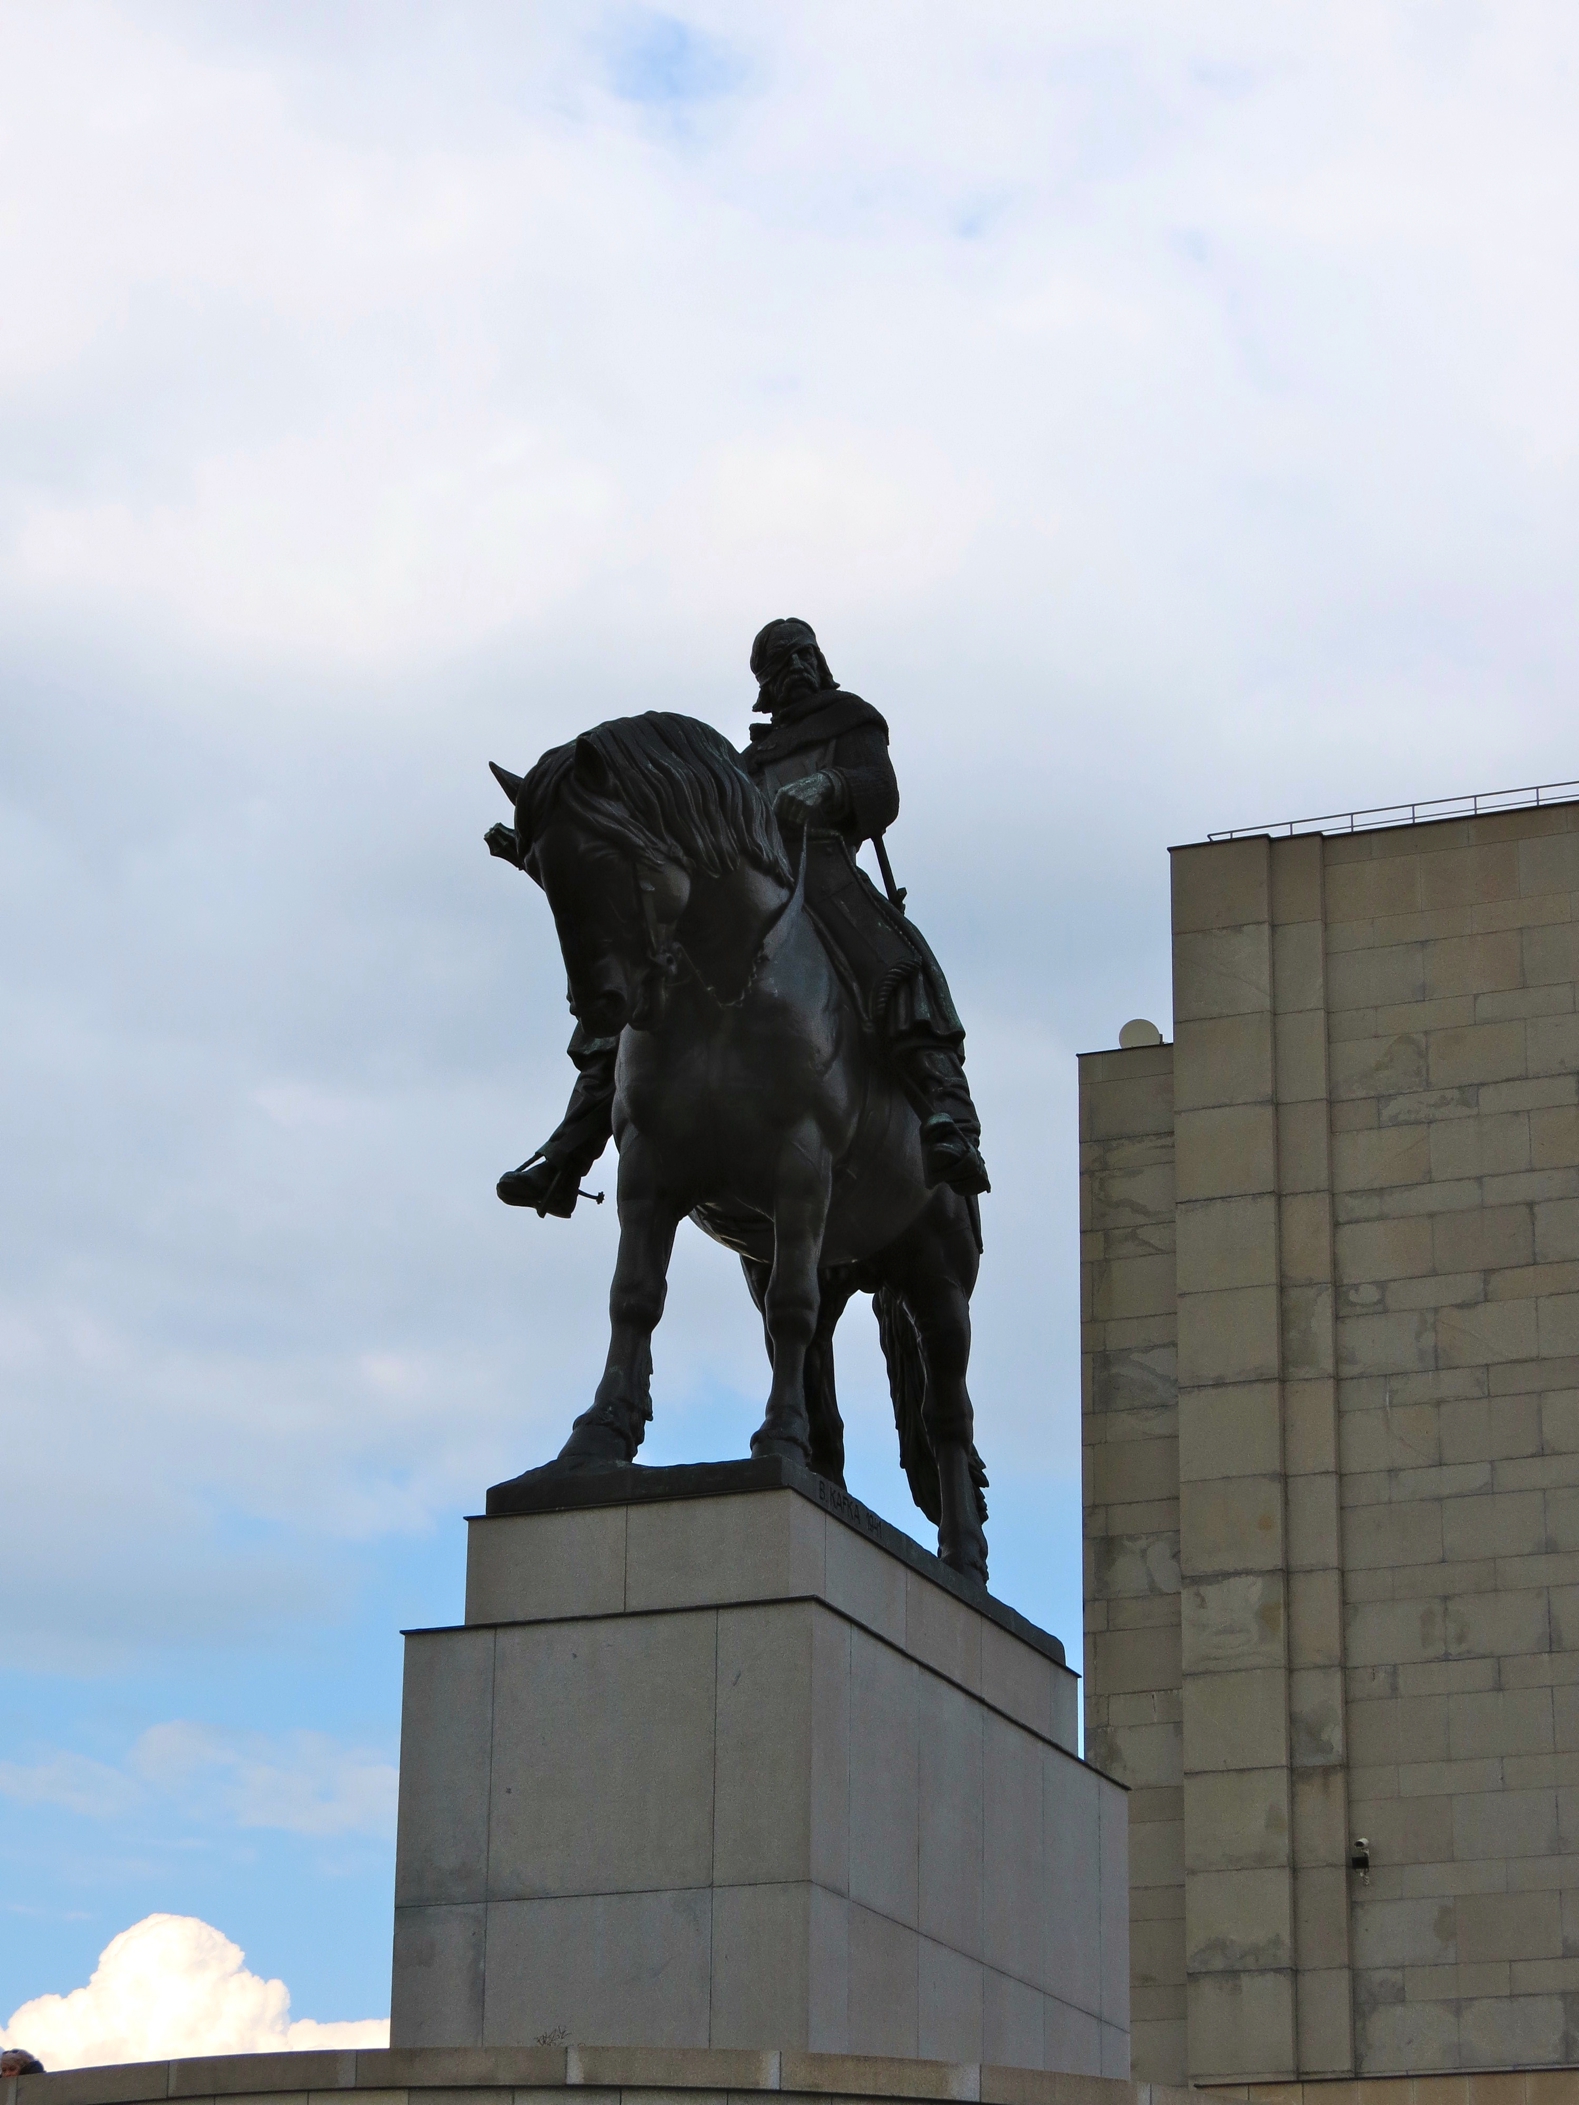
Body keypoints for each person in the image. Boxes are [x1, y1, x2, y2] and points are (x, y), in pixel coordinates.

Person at [496, 617, 989, 1214]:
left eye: (806, 655)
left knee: (894, 960)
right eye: (784, 664)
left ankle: (949, 1116)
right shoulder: (746, 760)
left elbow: (879, 790)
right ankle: (570, 1152)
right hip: (746, 887)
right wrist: (538, 856)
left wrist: (831, 786)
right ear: (765, 682)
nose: (799, 669)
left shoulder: (851, 719)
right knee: (638, 971)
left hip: (825, 870)